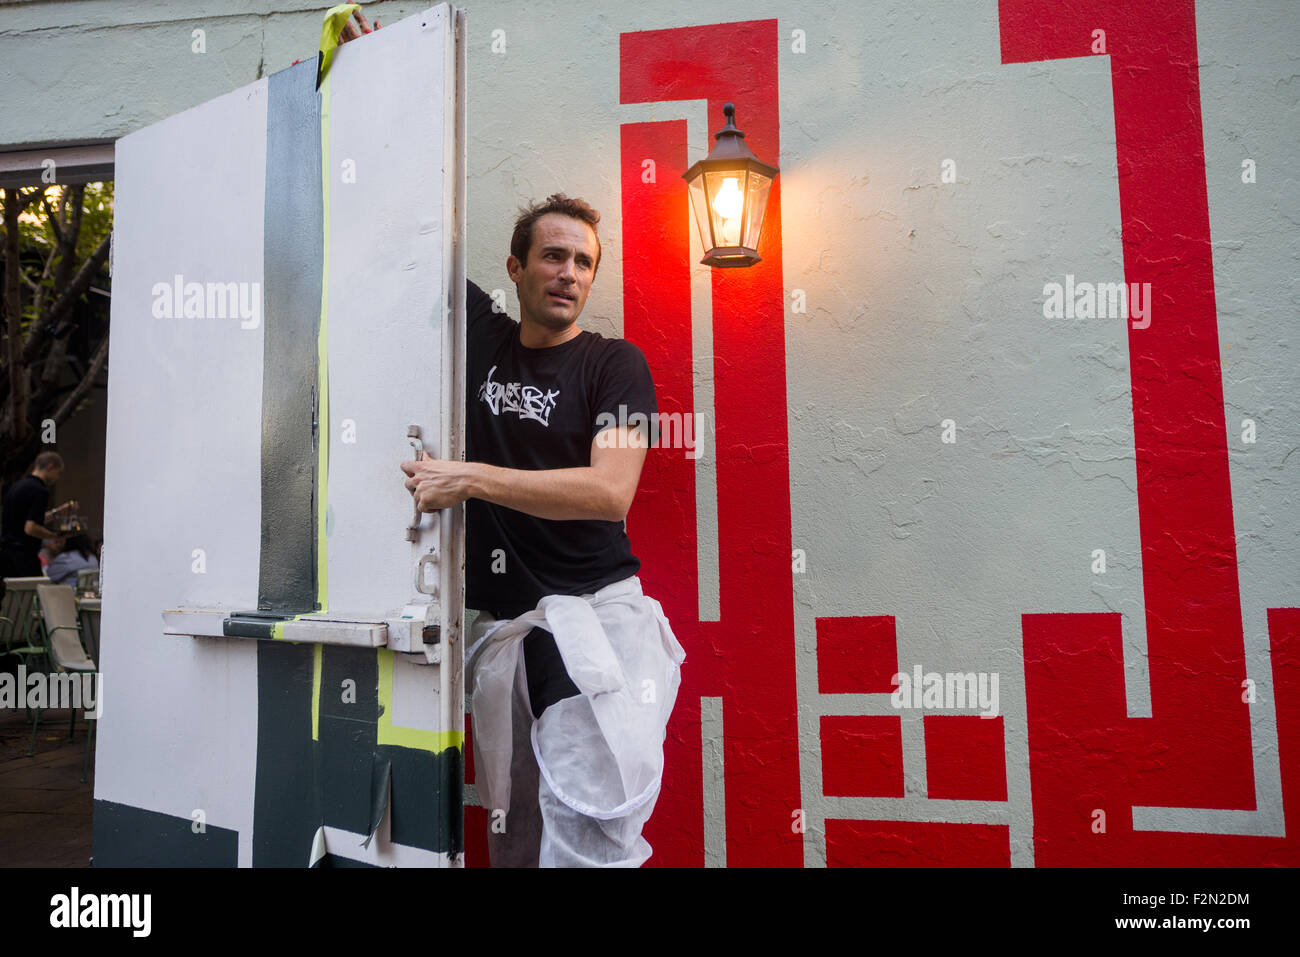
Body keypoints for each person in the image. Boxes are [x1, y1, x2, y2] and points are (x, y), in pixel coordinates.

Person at [399, 194, 685, 868]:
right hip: (509, 632)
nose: (569, 273)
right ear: (516, 269)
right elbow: (404, 238)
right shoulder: (485, 339)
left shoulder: (617, 365)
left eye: (584, 262)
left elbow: (609, 491)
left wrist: (467, 477)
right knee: (519, 831)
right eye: (553, 256)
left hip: (595, 620)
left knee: (591, 824)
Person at [0, 452, 77, 599]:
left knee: (10, 602)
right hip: (24, 558)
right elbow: (30, 528)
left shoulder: (17, 487)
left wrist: (58, 512)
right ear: (50, 467)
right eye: (58, 472)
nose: (57, 478)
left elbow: (27, 519)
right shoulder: (40, 491)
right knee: (32, 601)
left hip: (6, 555)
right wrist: (54, 536)